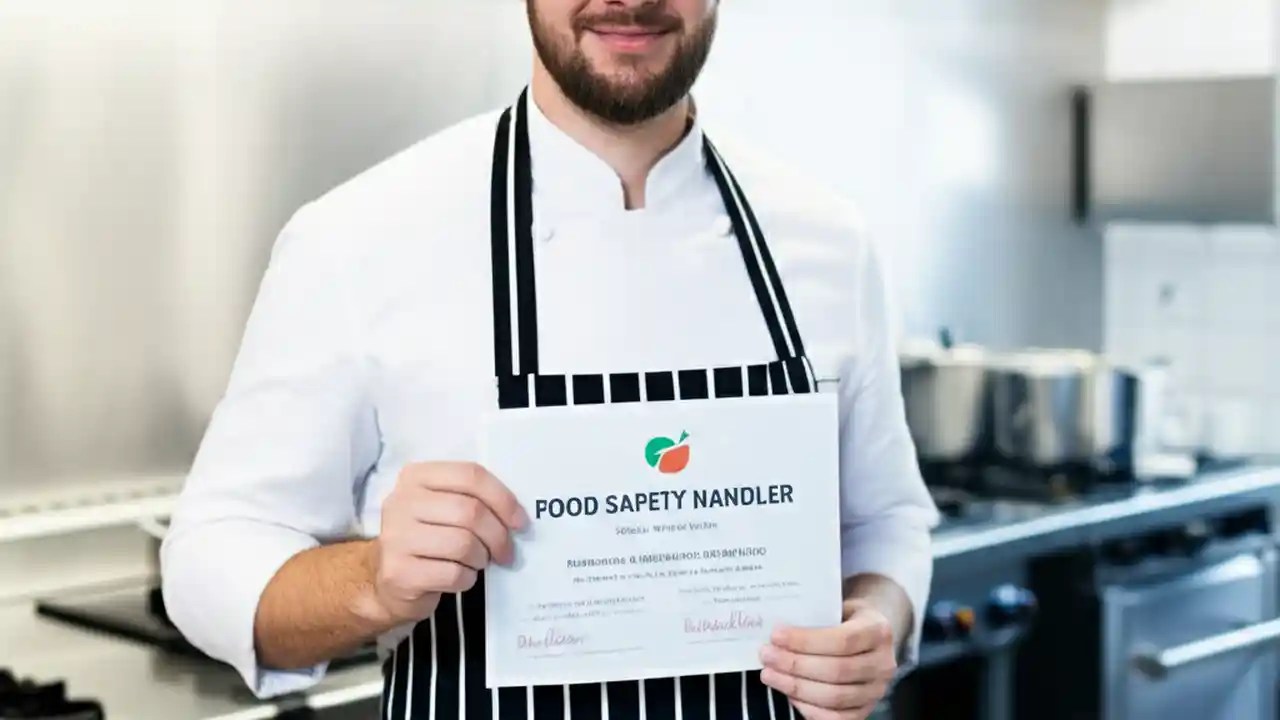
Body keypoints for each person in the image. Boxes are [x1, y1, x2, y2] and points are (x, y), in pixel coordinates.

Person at [161, 1, 939, 718]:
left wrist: (878, 617)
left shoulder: (828, 241)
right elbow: (209, 560)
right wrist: (373, 582)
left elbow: (886, 520)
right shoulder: (358, 238)